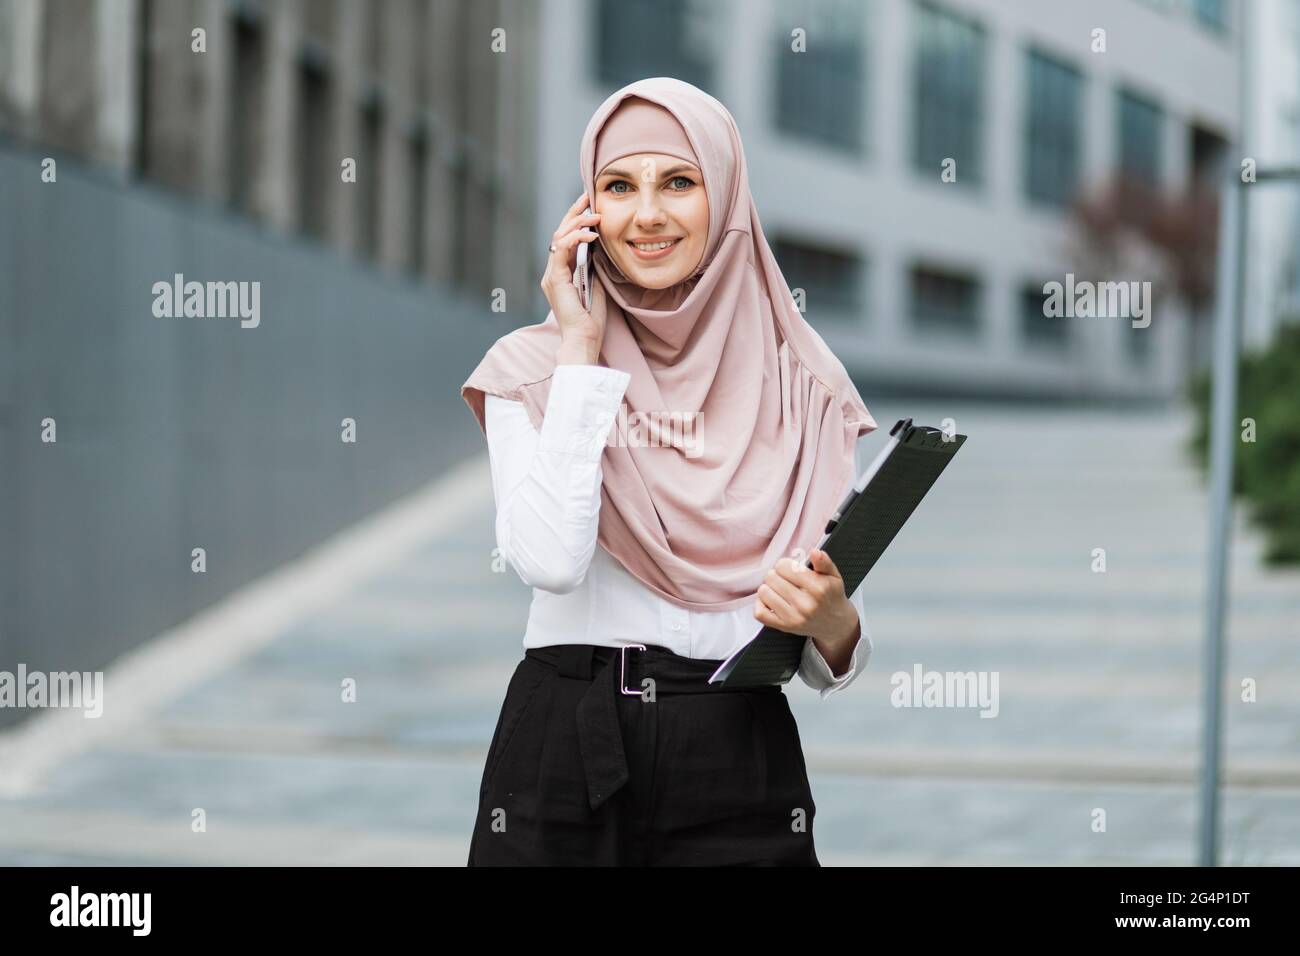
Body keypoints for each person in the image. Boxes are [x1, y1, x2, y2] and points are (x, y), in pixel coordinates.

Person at [460, 76, 878, 866]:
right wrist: (580, 353)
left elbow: (825, 652)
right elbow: (549, 563)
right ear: (589, 212)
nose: (646, 214)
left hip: (737, 745)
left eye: (678, 182)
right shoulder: (531, 369)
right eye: (618, 186)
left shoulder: (804, 385)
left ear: (724, 195)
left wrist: (833, 624)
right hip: (564, 742)